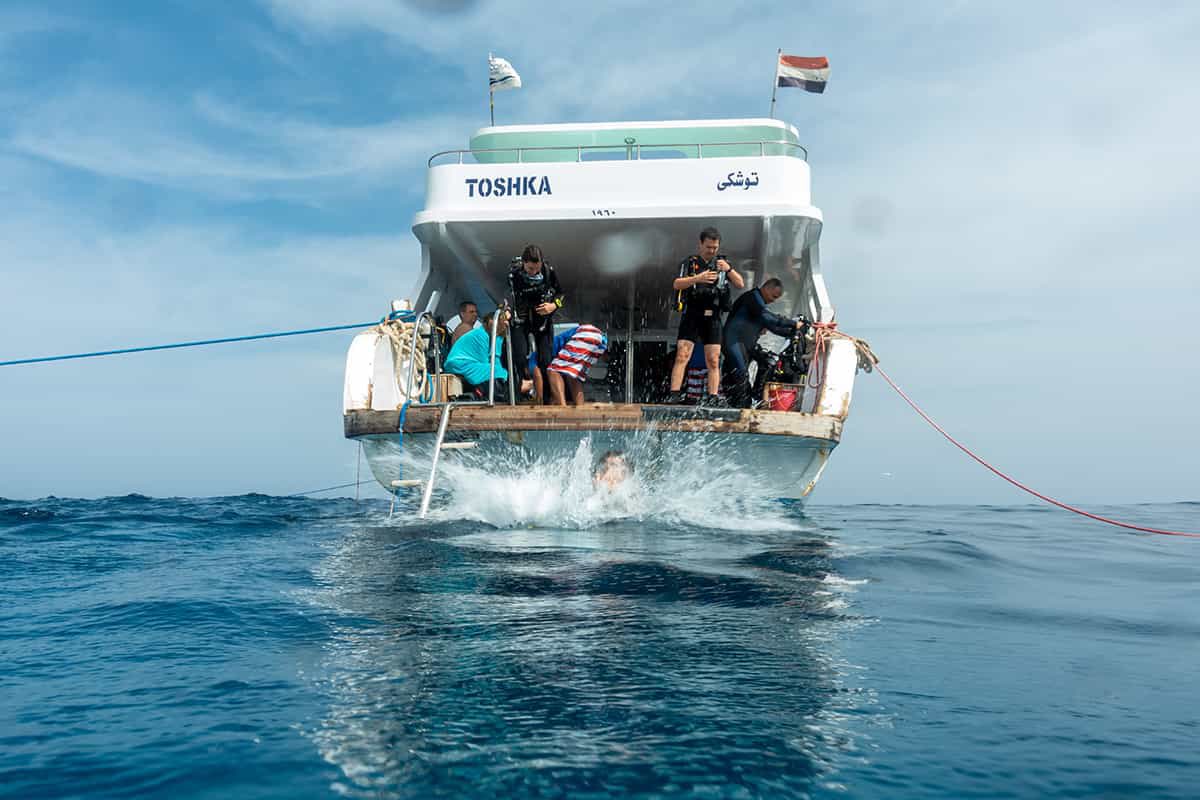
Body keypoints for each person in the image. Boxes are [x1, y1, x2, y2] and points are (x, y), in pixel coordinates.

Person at [665, 227, 744, 405]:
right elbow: (677, 284)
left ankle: (713, 396)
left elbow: (740, 284)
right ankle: (674, 394)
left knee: (713, 359)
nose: (712, 251)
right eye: (708, 247)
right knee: (682, 354)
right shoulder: (690, 262)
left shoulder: (722, 264)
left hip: (713, 316)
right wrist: (698, 278)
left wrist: (729, 269)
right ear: (700, 244)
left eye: (715, 247)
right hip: (693, 314)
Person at [721, 277, 805, 407]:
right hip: (734, 343)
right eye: (774, 296)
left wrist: (794, 333)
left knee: (767, 362)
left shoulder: (760, 305)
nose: (773, 300)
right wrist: (793, 324)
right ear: (767, 288)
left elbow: (774, 328)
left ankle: (755, 398)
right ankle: (739, 404)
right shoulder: (752, 299)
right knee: (740, 374)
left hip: (747, 346)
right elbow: (768, 318)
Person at [508, 245, 564, 400]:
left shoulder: (548, 271)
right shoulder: (515, 275)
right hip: (522, 319)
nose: (534, 272)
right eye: (530, 269)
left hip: (542, 320)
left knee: (545, 361)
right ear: (523, 263)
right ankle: (520, 391)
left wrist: (554, 305)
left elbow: (561, 294)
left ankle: (546, 398)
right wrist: (507, 311)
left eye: (537, 269)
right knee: (519, 357)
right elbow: (508, 296)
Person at [443, 311, 530, 399]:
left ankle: (513, 388)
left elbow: (495, 358)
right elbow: (485, 361)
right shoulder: (481, 334)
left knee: (500, 371)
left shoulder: (493, 336)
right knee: (496, 371)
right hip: (459, 363)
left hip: (468, 363)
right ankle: (513, 389)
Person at [545, 324, 607, 406]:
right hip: (600, 339)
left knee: (553, 370)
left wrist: (541, 401)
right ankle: (580, 409)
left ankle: (562, 408)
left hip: (586, 333)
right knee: (573, 377)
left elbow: (536, 373)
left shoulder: (535, 356)